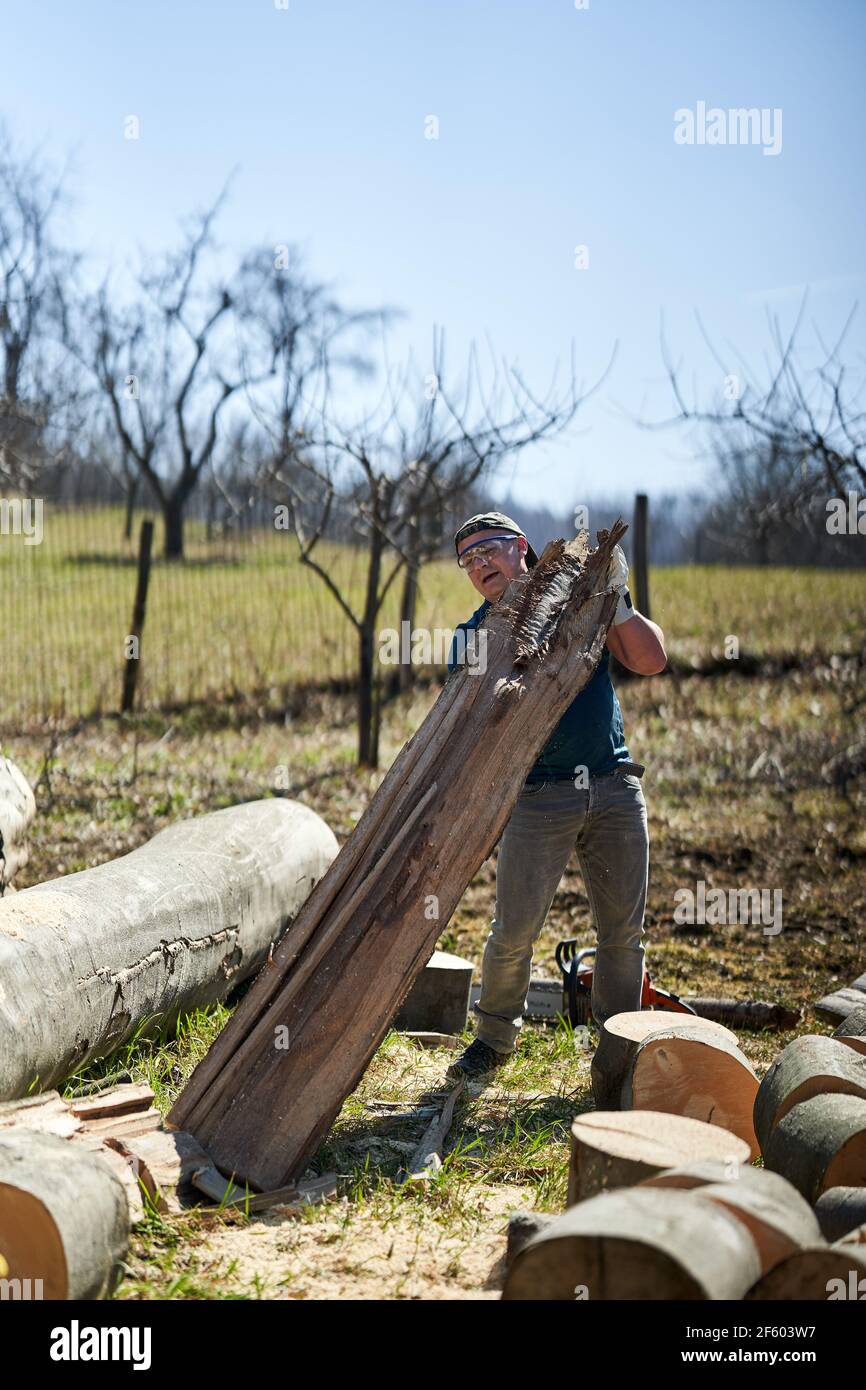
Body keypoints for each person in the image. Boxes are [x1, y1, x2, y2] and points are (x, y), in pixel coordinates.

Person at [444, 511, 667, 1082]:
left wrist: (616, 603)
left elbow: (650, 659)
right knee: (513, 931)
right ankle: (493, 1040)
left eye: (489, 549)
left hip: (614, 784)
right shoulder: (473, 639)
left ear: (522, 548)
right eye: (468, 559)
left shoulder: (581, 595)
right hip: (538, 797)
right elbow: (472, 729)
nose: (480, 564)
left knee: (623, 933)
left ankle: (618, 1052)